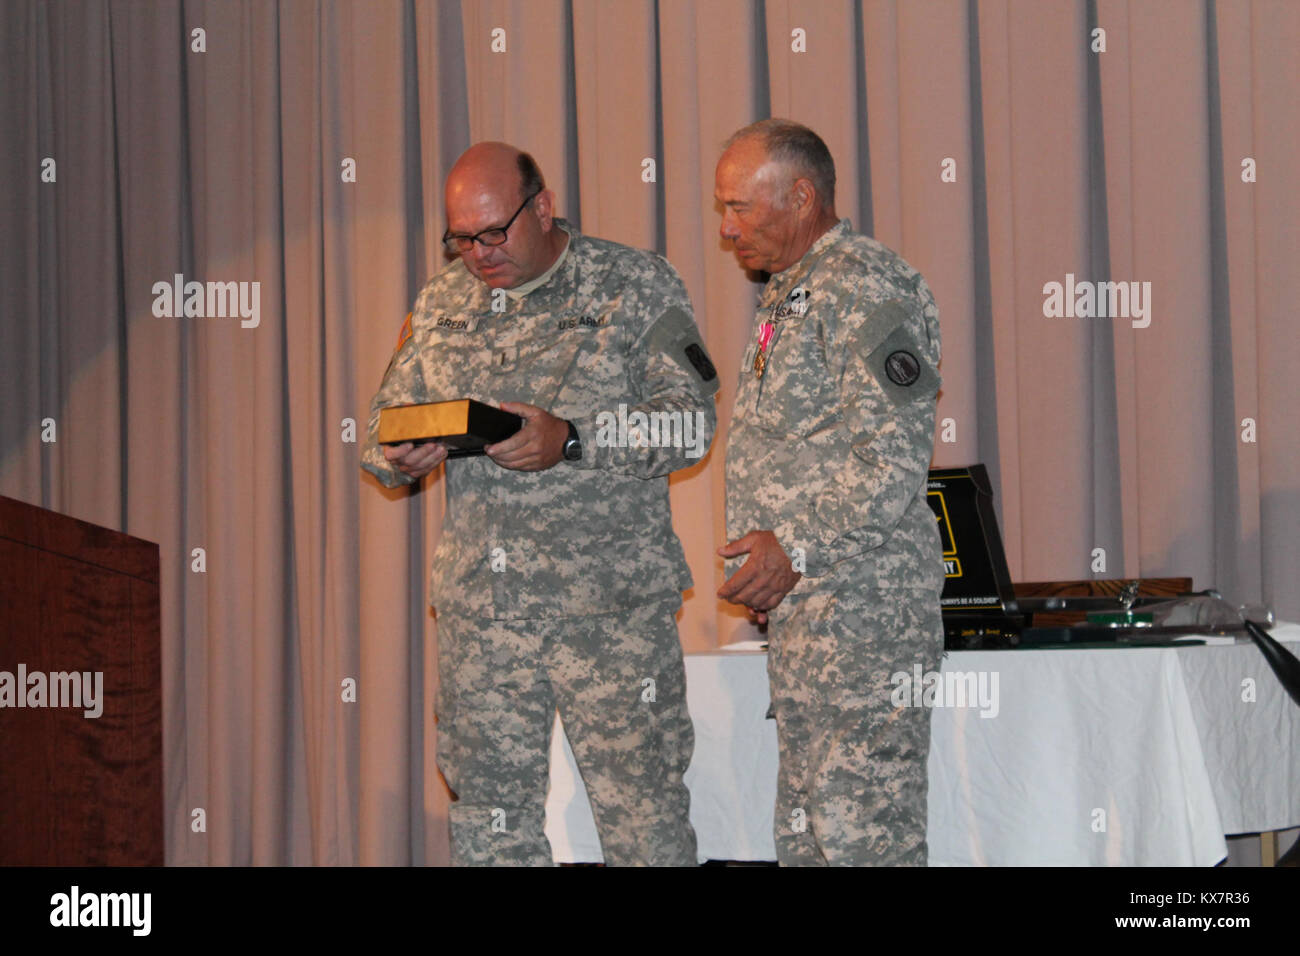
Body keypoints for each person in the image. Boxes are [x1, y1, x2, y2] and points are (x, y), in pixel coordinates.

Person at [361, 142, 719, 866]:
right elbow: (381, 430)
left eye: (494, 232)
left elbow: (691, 422)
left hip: (610, 610)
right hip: (485, 616)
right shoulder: (440, 303)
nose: (479, 253)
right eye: (462, 238)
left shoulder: (632, 284)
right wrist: (402, 452)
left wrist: (574, 439)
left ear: (543, 206)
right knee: (490, 827)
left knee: (643, 824)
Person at [713, 119, 944, 865]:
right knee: (809, 846)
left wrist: (794, 549)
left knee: (864, 845)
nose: (726, 228)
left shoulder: (864, 285)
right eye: (723, 208)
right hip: (811, 624)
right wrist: (773, 569)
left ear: (802, 196)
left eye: (740, 207)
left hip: (864, 625)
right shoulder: (792, 294)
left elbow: (893, 459)